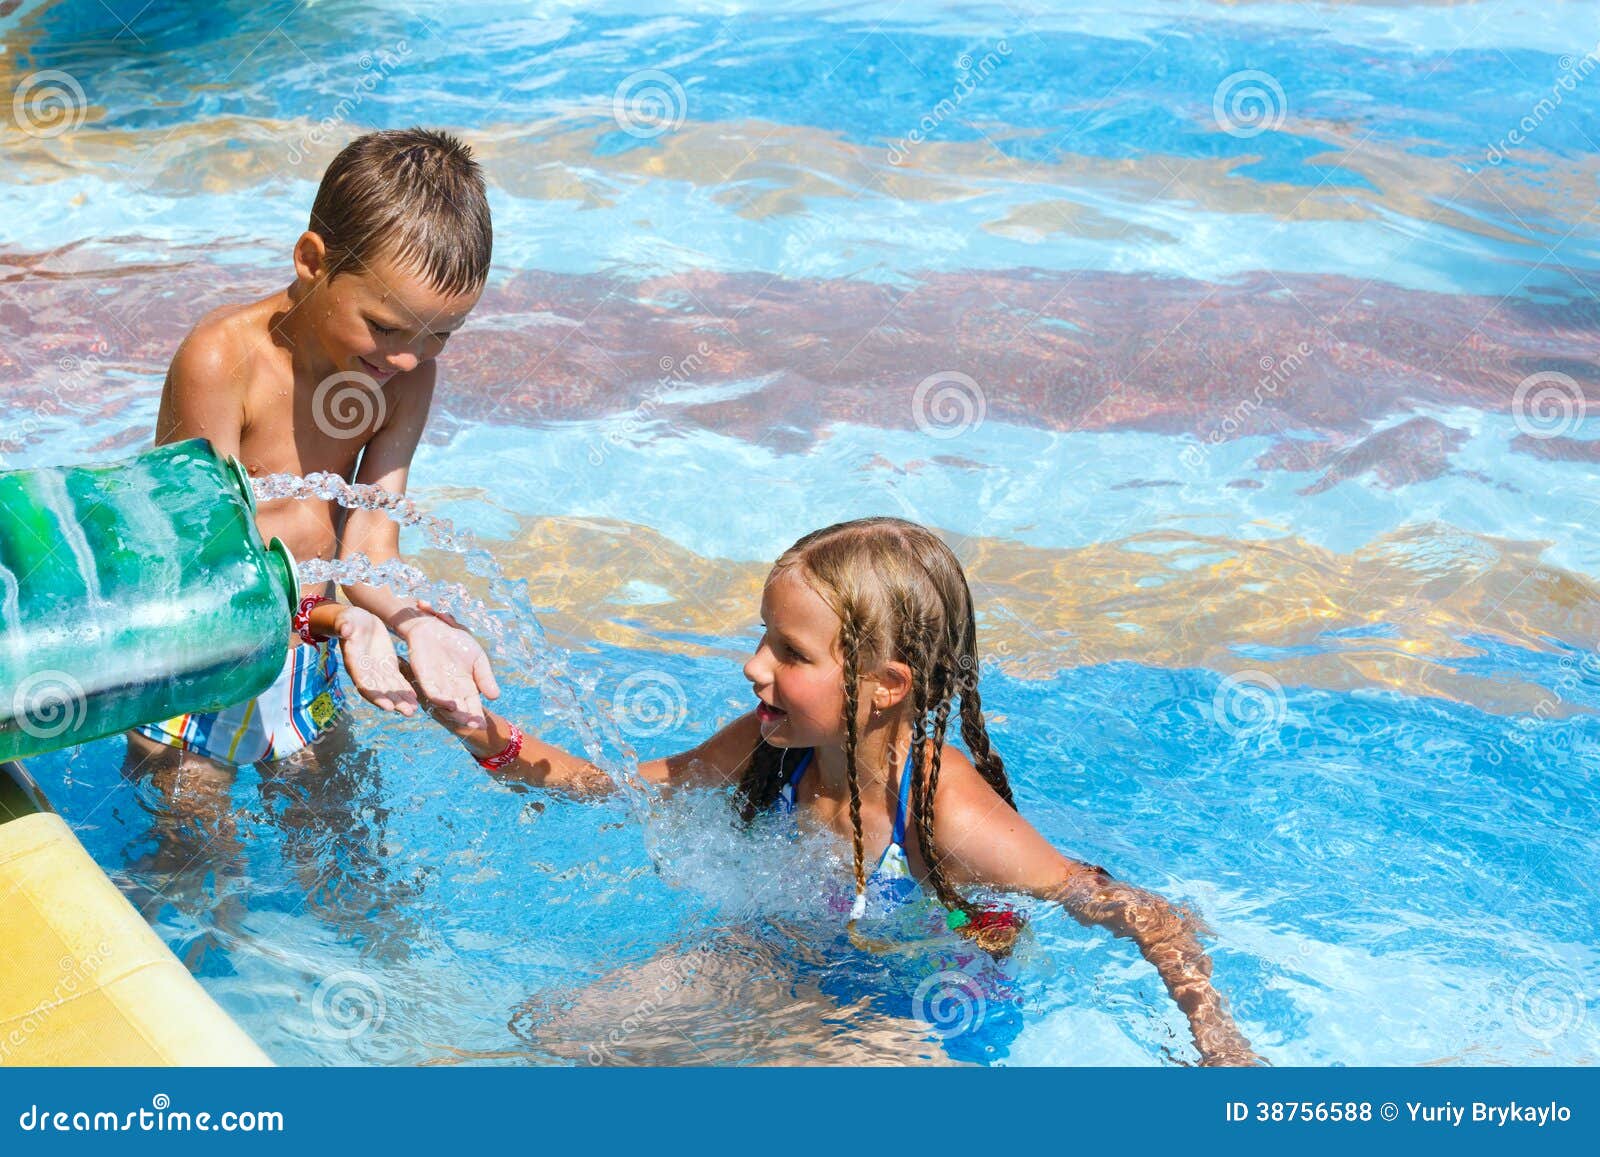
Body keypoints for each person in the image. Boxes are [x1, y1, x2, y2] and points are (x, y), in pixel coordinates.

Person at [419, 516, 1262, 1065]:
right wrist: (488, 738)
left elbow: (1130, 906)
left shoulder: (940, 805)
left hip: (927, 1011)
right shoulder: (776, 740)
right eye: (763, 636)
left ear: (885, 683)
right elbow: (627, 787)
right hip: (789, 959)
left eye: (789, 651)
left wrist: (1216, 1038)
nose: (755, 665)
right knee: (562, 1033)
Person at [127, 128, 500, 773]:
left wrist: (416, 623)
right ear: (311, 260)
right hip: (200, 657)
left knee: (341, 842)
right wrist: (340, 619)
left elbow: (370, 547)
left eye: (442, 333)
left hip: (312, 642)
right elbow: (204, 562)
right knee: (194, 841)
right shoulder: (223, 360)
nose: (408, 355)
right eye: (383, 327)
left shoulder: (404, 374)